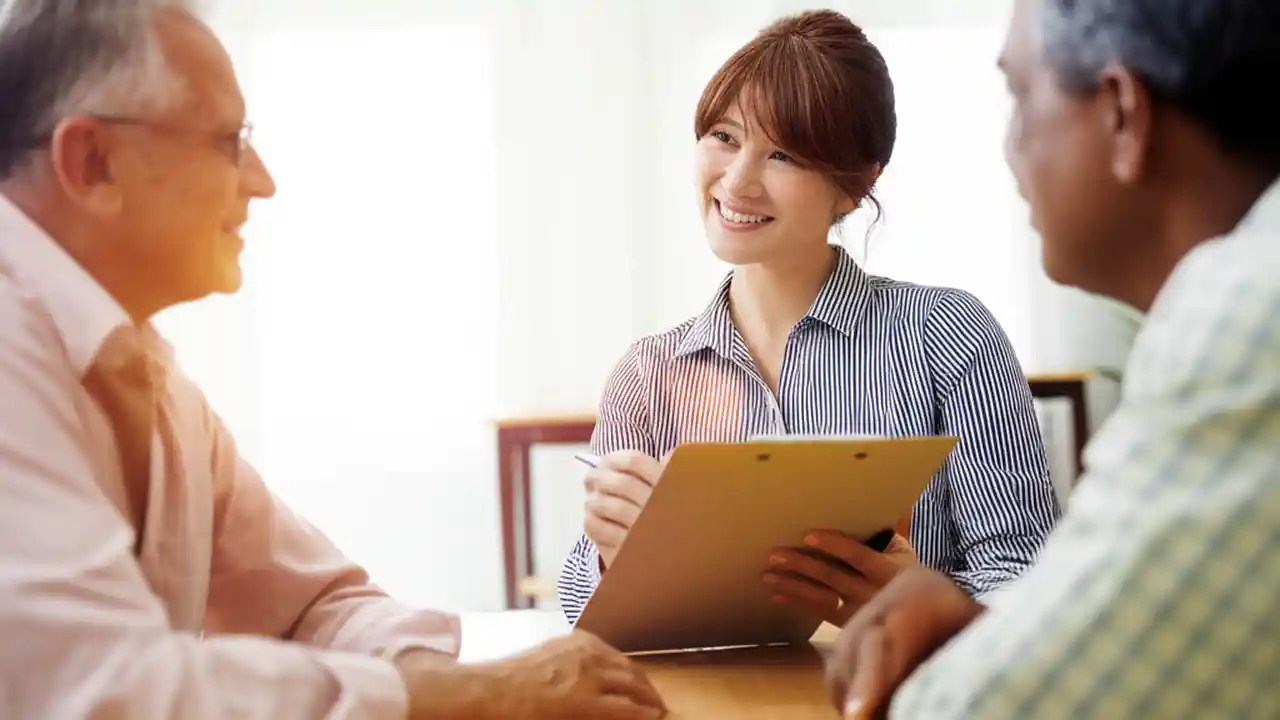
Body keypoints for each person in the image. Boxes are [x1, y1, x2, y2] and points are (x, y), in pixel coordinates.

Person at [0, 2, 666, 718]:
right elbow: (110, 688)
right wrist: (475, 695)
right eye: (230, 142)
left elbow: (314, 602)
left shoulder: (152, 383)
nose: (262, 181)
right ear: (93, 163)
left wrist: (471, 682)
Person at [825, 0, 1280, 717]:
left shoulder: (1245, 314)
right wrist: (998, 634)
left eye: (1019, 95)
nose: (1008, 151)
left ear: (1124, 113)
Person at [558, 10, 1060, 627]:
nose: (738, 181)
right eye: (724, 136)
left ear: (855, 185)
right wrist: (615, 556)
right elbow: (580, 606)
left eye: (784, 155)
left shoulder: (946, 334)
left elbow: (1026, 580)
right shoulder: (648, 373)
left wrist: (922, 602)